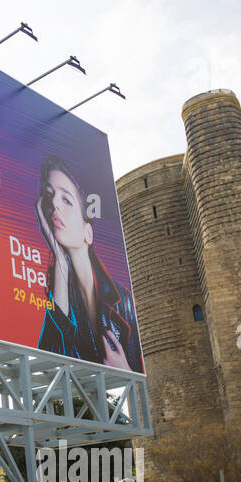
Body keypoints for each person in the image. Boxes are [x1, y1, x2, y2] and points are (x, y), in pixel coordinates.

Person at [35, 156, 143, 371]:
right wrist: (60, 261)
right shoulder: (55, 292)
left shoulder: (124, 302)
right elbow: (50, 367)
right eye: (49, 195)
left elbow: (140, 385)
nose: (54, 203)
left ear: (88, 232)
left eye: (66, 199)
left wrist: (126, 370)